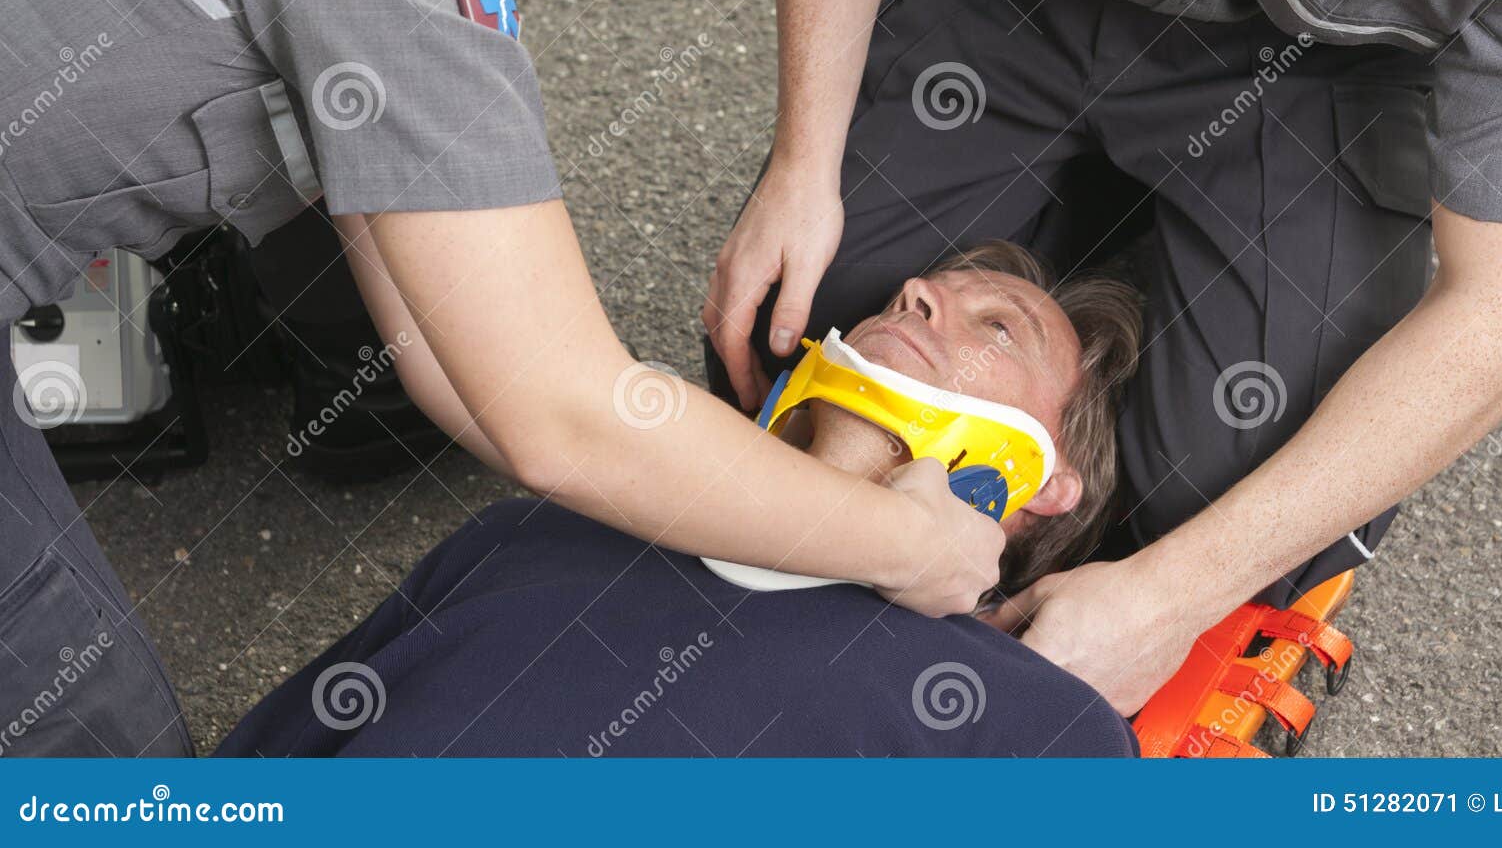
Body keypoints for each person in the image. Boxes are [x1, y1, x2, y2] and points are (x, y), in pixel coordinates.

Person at [0, 0, 1006, 758]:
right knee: (99, 767)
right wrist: (903, 542)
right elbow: (563, 418)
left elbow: (454, 359)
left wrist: (723, 495)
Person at [701, 0, 1502, 715]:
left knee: (1223, 490)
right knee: (809, 337)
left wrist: (1178, 589)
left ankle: (1135, 292)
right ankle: (1103, 256)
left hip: (1320, 79)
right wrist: (801, 163)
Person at [217, 241, 1143, 757]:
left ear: (1049, 484)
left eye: (996, 327)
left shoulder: (1037, 725)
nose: (915, 297)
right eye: (920, 292)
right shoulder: (546, 522)